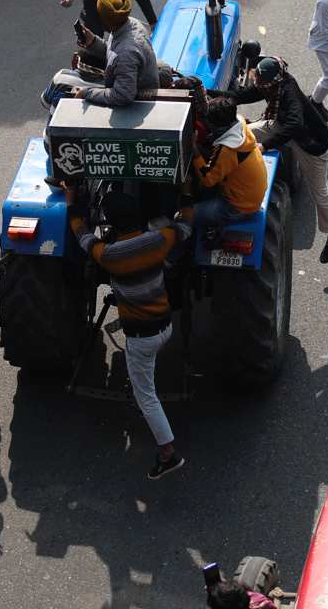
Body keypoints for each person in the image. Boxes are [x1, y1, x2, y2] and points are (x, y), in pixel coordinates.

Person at [70, 189, 187, 478]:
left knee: (146, 396)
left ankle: (168, 453)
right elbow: (185, 226)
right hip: (165, 327)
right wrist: (186, 199)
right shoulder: (159, 242)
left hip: (140, 338)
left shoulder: (109, 255)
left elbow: (83, 237)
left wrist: (73, 205)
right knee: (147, 375)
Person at [236, 55, 328, 262]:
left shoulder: (289, 93)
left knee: (320, 194)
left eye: (260, 81)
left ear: (273, 81)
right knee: (244, 133)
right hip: (283, 126)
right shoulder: (273, 84)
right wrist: (216, 95)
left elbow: (294, 125)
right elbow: (246, 95)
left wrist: (264, 145)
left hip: (311, 146)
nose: (257, 83)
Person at [189, 98, 268, 246]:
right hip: (250, 195)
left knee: (186, 216)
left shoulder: (228, 150)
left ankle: (173, 257)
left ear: (215, 124)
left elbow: (208, 179)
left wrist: (195, 151)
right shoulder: (241, 125)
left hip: (238, 207)